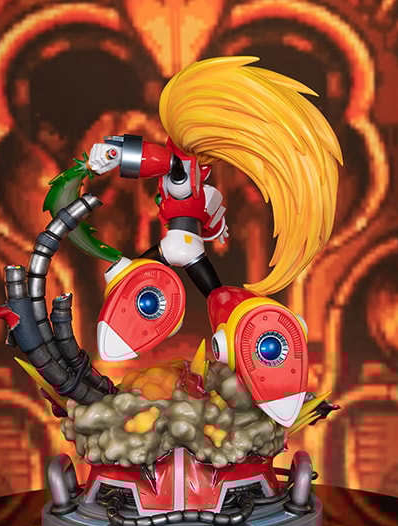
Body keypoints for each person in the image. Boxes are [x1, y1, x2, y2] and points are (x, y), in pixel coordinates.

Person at [86, 56, 343, 427]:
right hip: (188, 247)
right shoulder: (198, 178)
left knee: (139, 281)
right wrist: (114, 153)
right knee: (218, 297)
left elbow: (155, 161)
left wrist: (114, 153)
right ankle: (245, 335)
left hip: (177, 245)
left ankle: (241, 339)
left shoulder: (184, 169)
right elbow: (170, 175)